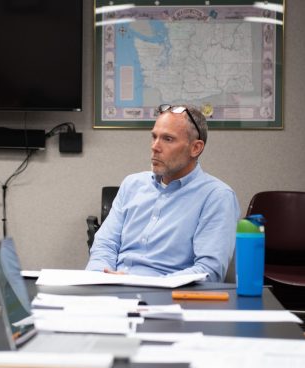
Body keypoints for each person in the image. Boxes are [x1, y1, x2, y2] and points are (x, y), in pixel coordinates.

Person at [86, 104, 240, 282]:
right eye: (154, 137)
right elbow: (104, 244)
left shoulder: (217, 196)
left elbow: (209, 271)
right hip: (111, 287)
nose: (155, 147)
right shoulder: (132, 184)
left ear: (195, 148)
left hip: (168, 294)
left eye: (168, 139)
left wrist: (138, 283)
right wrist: (99, 277)